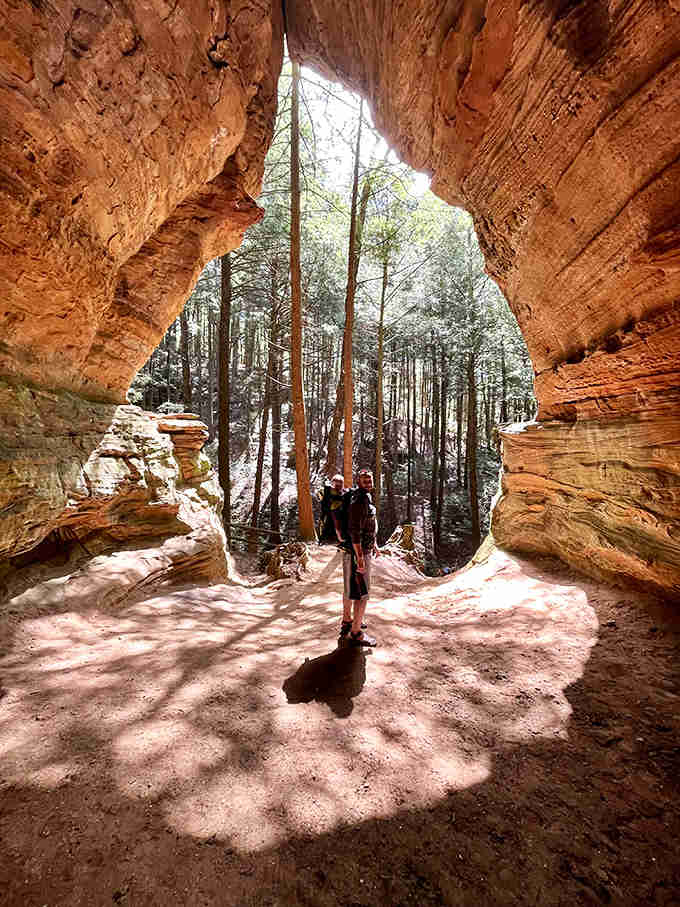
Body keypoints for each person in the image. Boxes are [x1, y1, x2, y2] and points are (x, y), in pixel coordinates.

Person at [340, 468, 380, 647]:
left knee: (350, 588)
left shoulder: (359, 497)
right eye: (365, 481)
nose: (368, 483)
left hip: (353, 552)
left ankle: (347, 620)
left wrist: (375, 545)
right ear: (358, 481)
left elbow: (365, 526)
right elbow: (355, 532)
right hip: (358, 553)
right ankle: (356, 633)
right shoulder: (359, 501)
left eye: (370, 480)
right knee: (362, 594)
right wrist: (361, 558)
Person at [317, 474, 346, 544]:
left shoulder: (344, 495)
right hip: (327, 519)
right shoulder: (325, 491)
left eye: (340, 483)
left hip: (339, 521)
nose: (338, 486)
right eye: (337, 483)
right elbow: (320, 495)